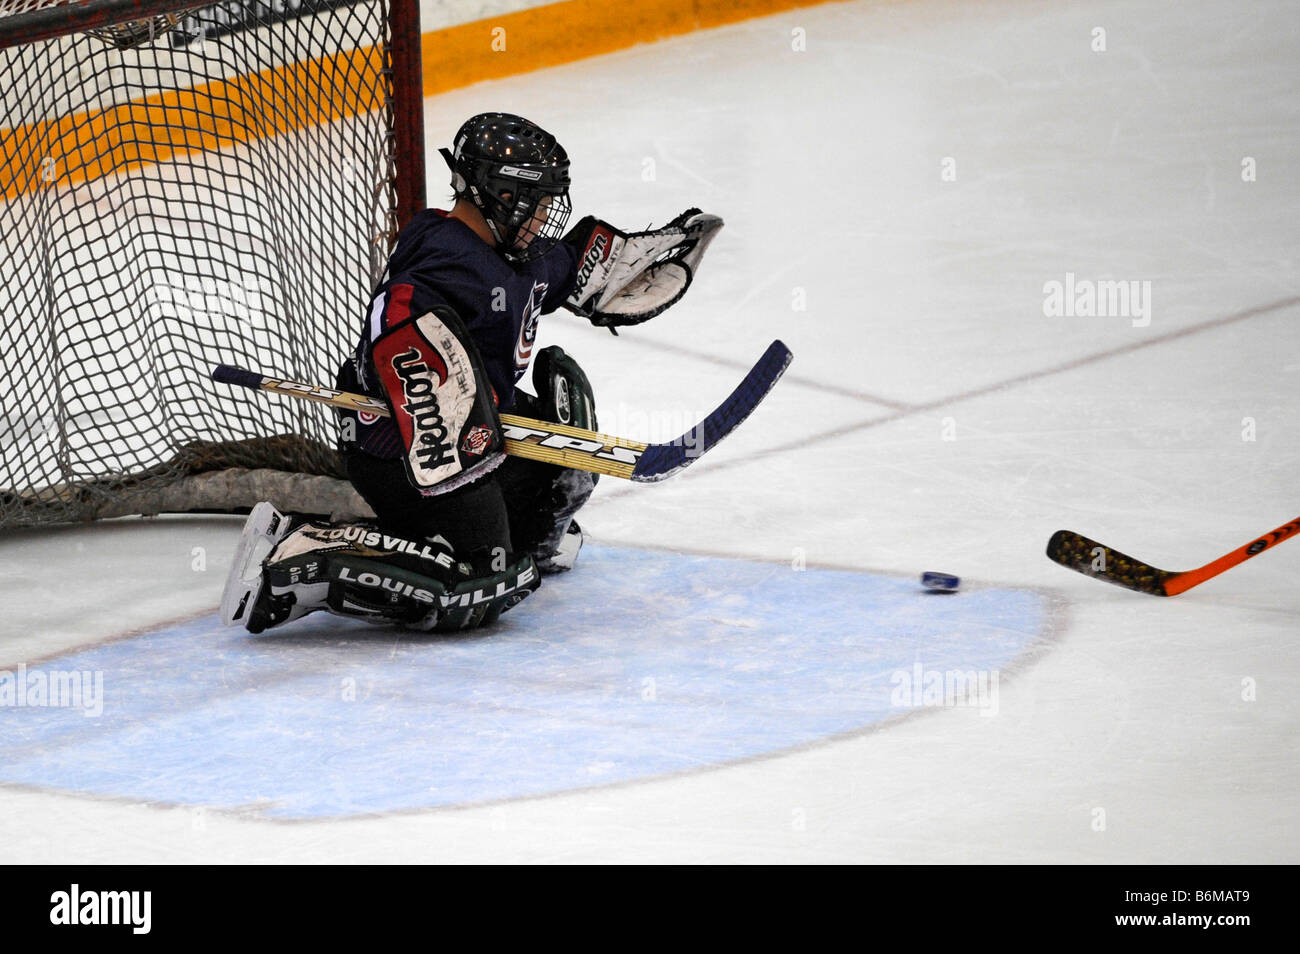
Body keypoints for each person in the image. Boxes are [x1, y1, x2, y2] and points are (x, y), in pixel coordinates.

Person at [220, 112, 723, 634]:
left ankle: (511, 535)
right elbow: (398, 326)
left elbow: (574, 269)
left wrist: (647, 259)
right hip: (406, 451)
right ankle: (291, 553)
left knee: (556, 461)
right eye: (541, 204)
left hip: (479, 437)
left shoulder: (513, 255)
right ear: (505, 197)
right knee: (483, 586)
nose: (547, 217)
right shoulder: (444, 257)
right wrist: (450, 416)